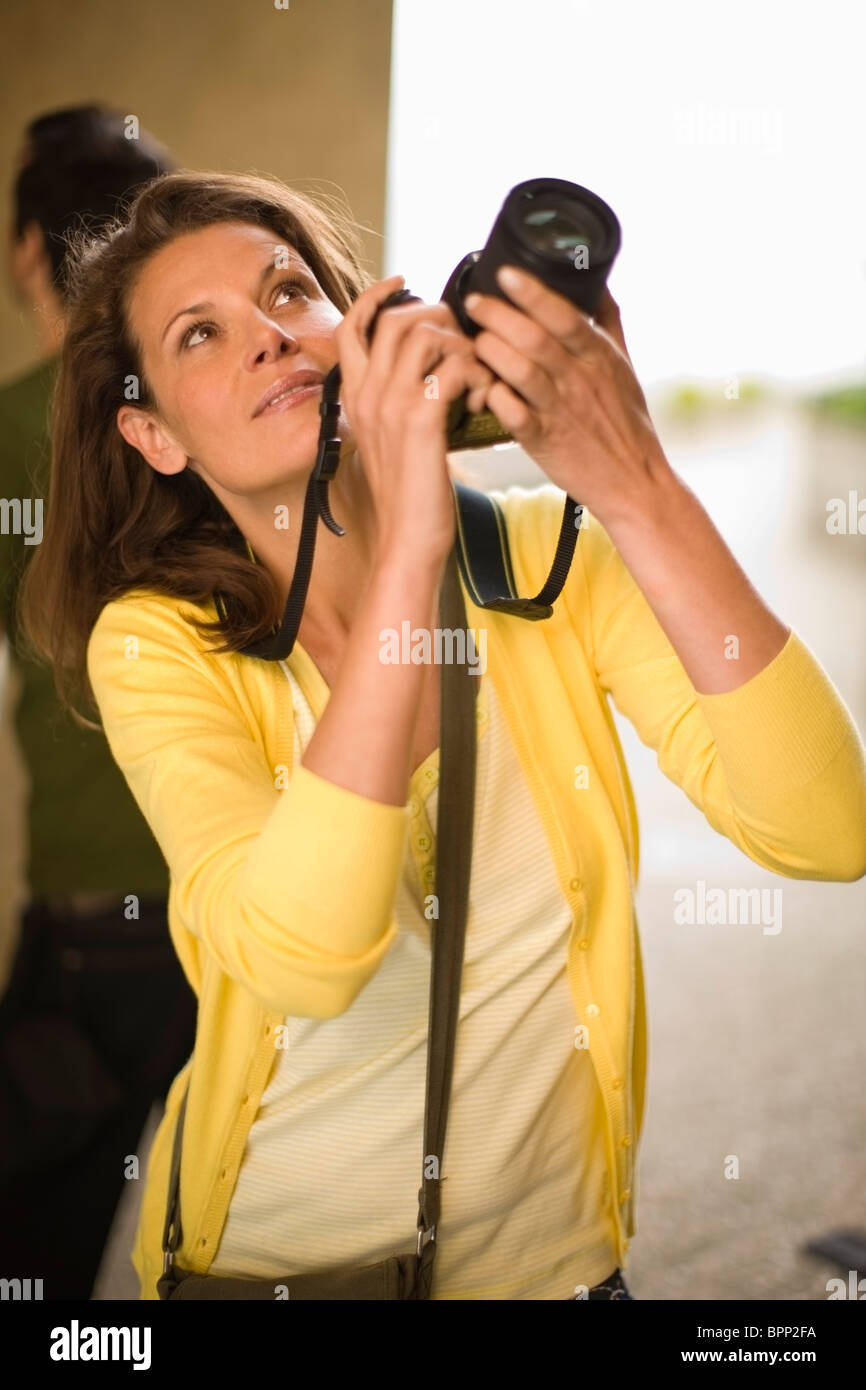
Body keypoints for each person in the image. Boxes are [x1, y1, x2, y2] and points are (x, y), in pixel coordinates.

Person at [17, 169, 866, 1302]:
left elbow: (825, 829)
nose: (268, 337)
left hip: (555, 1274)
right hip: (283, 1270)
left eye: (287, 292)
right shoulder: (158, 646)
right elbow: (299, 958)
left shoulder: (546, 565)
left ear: (358, 324)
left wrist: (636, 484)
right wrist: (407, 542)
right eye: (201, 334)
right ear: (153, 434)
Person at [0, 106, 196, 1300]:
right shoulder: (228, 400)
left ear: (28, 255)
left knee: (35, 1260)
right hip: (260, 906)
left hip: (93, 931)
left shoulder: (14, 424)